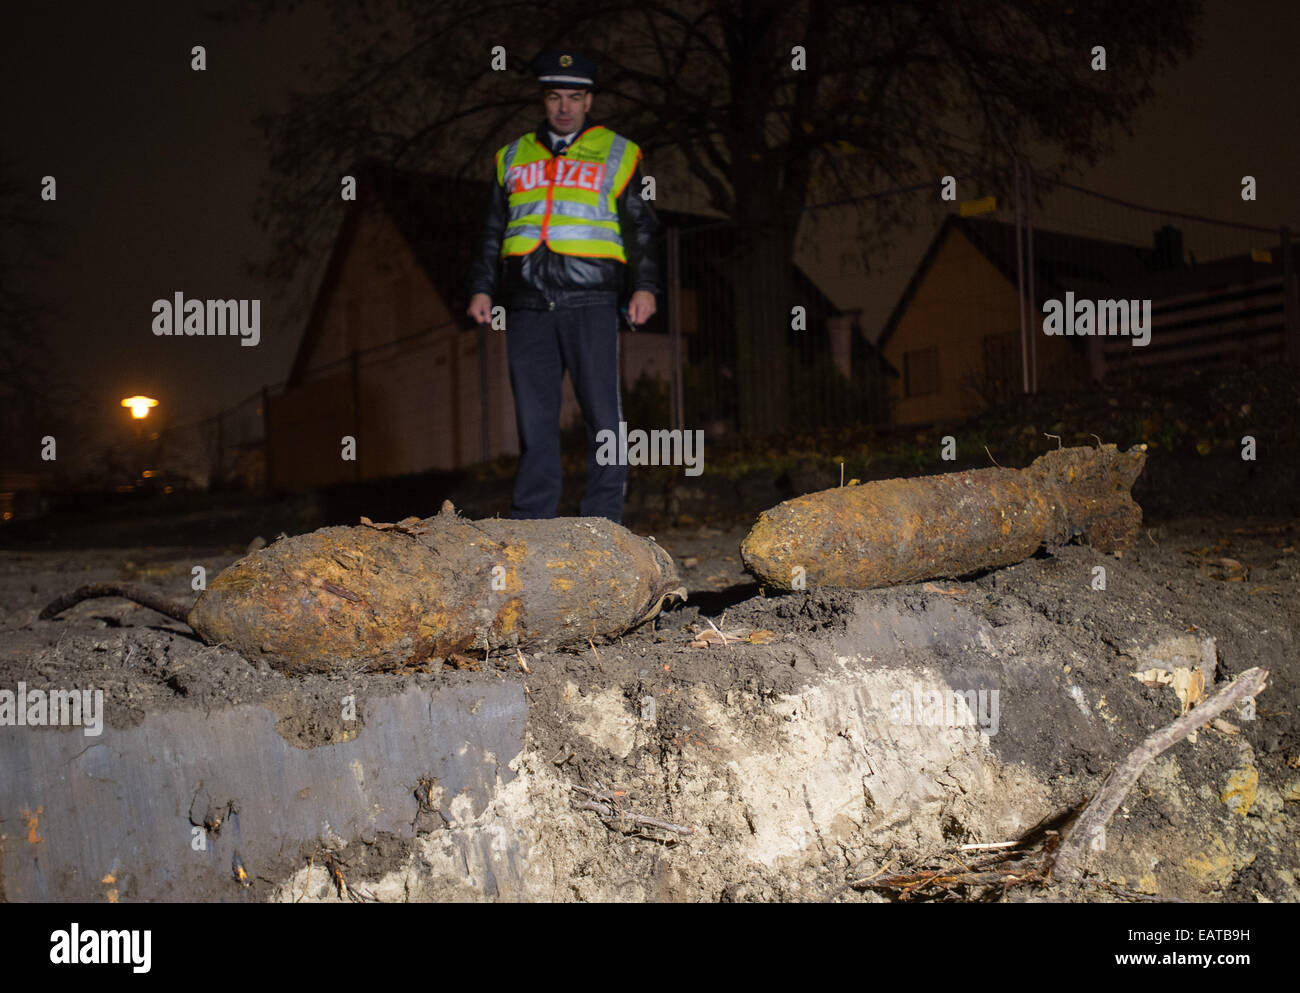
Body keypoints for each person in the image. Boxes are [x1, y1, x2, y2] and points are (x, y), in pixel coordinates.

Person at [466, 50, 661, 524]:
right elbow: (493, 230)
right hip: (527, 304)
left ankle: (603, 518)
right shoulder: (511, 156)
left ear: (590, 100)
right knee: (534, 420)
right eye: (555, 96)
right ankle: (532, 519)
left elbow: (640, 228)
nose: (564, 107)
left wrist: (645, 286)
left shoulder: (618, 152)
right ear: (543, 99)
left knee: (602, 416)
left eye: (575, 97)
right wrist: (482, 288)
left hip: (591, 299)